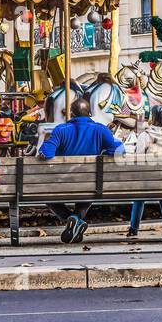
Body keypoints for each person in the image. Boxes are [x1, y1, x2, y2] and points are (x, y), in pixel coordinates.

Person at [39, 97, 123, 244]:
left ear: (71, 113)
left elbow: (46, 153)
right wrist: (104, 153)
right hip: (91, 184)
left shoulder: (61, 130)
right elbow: (119, 150)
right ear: (89, 113)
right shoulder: (101, 130)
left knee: (45, 195)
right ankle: (76, 219)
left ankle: (69, 218)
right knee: (89, 191)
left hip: (62, 183)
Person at [126, 102, 162, 238]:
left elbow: (138, 159)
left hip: (147, 182)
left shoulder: (145, 136)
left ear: (154, 118)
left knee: (139, 195)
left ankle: (133, 230)